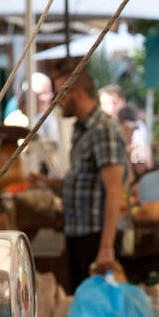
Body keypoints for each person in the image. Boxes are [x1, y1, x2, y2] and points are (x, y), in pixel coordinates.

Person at [54, 62, 127, 289]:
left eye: (61, 94)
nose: (57, 101)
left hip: (96, 236)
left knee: (99, 312)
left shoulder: (103, 129)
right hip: (79, 232)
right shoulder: (80, 129)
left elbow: (114, 190)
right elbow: (83, 180)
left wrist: (106, 247)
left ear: (76, 93)